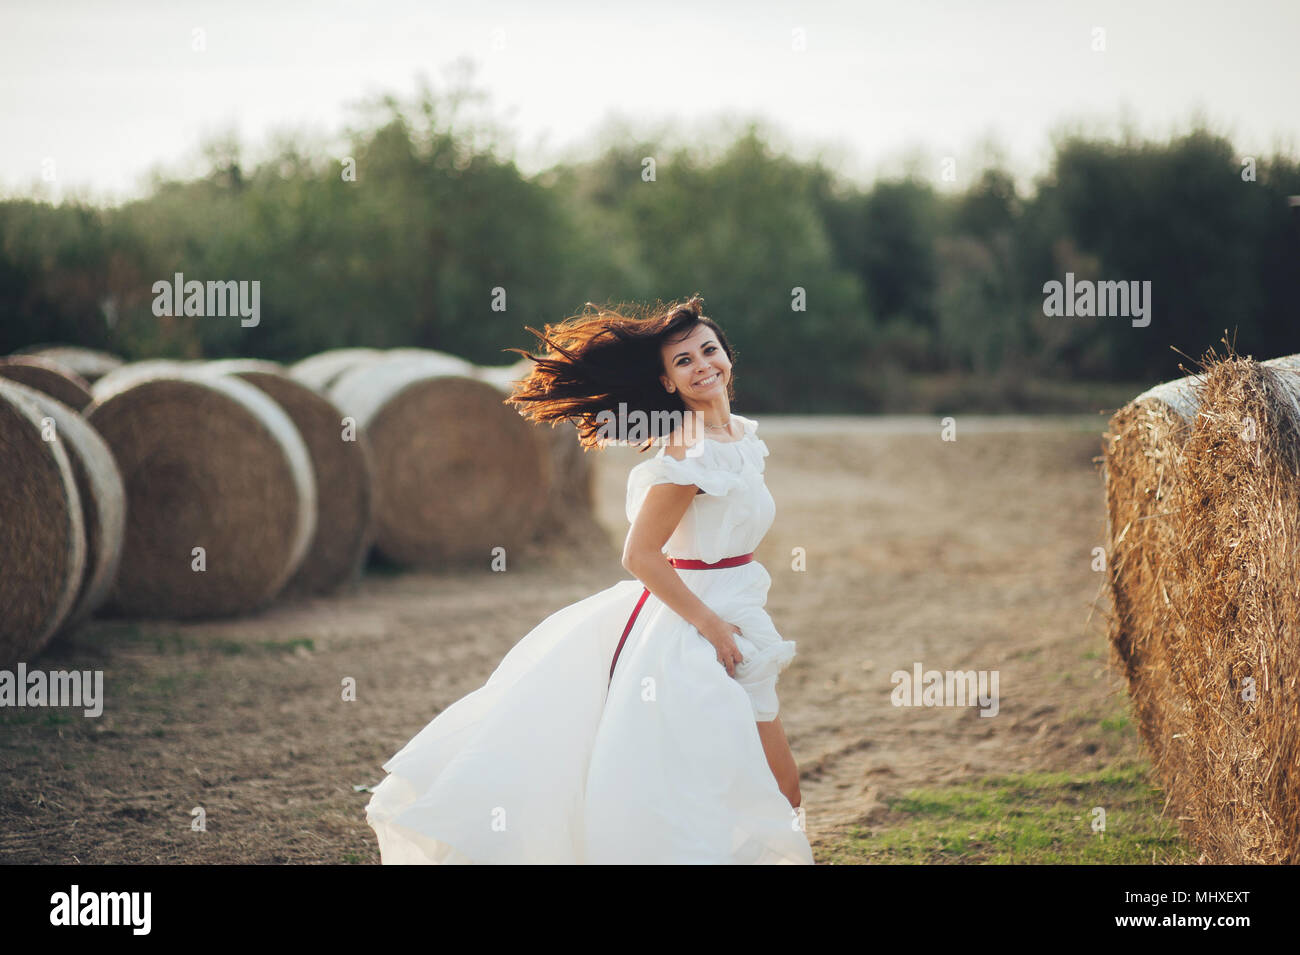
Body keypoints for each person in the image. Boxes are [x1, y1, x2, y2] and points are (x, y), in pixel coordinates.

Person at [364, 295, 814, 864]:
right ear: (668, 382)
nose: (702, 365)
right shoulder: (690, 453)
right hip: (695, 630)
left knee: (766, 783)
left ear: (727, 356)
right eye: (683, 361)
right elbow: (641, 555)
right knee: (746, 787)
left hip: (736, 610)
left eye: (708, 350)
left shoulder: (740, 439)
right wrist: (714, 629)